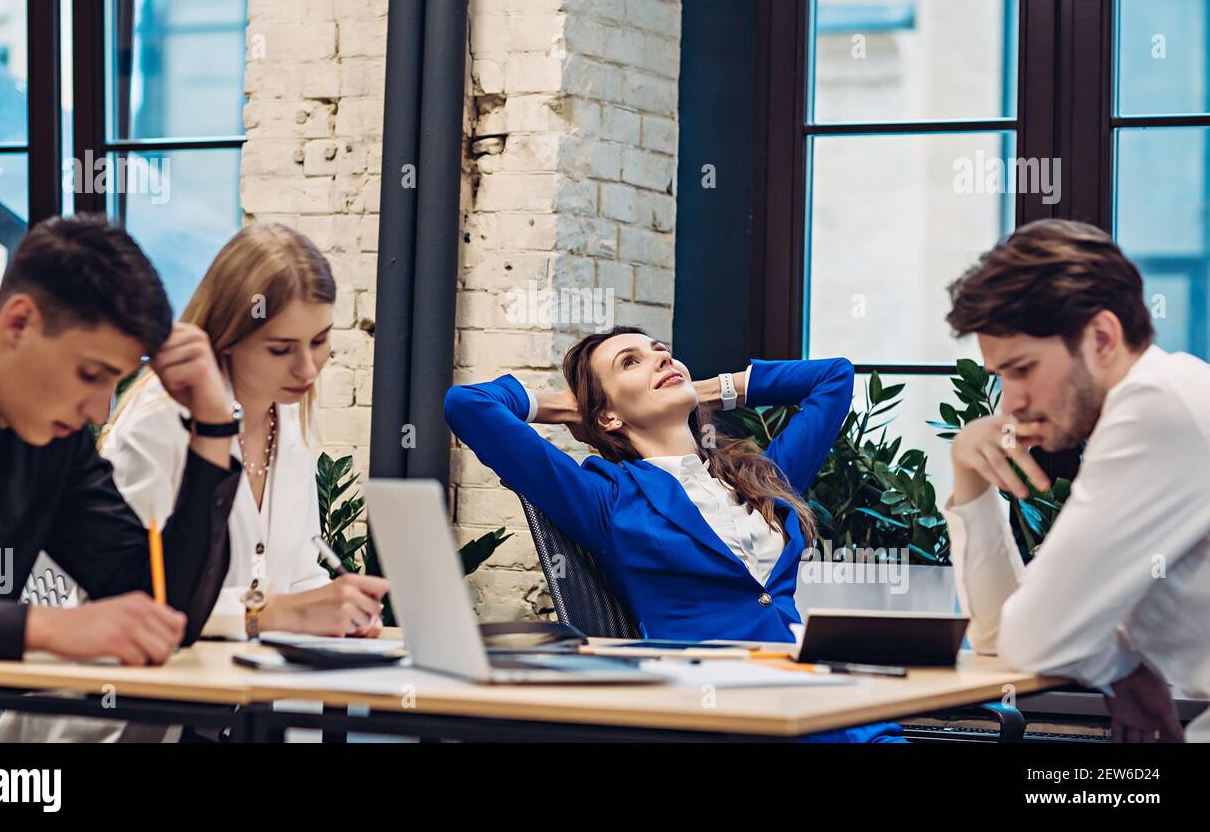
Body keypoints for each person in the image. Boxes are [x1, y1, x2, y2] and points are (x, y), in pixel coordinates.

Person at [0, 222, 388, 742]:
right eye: (280, 348)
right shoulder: (160, 424)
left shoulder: (286, 419)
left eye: (319, 341)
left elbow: (288, 570)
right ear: (228, 337)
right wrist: (269, 616)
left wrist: (339, 606)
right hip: (120, 711)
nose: (307, 367)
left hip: (231, 706)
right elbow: (135, 598)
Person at [444, 325, 904, 742]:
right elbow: (468, 406)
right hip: (722, 713)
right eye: (630, 361)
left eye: (661, 350)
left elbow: (834, 378)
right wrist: (568, 405)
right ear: (607, 418)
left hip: (831, 703)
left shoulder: (764, 478)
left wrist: (704, 390)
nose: (661, 356)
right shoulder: (605, 499)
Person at [0, 214, 241, 741]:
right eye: (91, 374)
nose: (97, 410)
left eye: (116, 382)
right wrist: (49, 628)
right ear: (20, 322)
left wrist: (214, 425)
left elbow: (163, 610)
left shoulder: (57, 444)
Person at [943, 219, 1210, 742]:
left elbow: (1032, 637)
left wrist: (1119, 668)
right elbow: (1002, 635)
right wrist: (968, 471)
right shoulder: (1155, 405)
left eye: (1022, 369)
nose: (1011, 402)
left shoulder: (1156, 407)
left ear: (1102, 338)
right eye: (1000, 376)